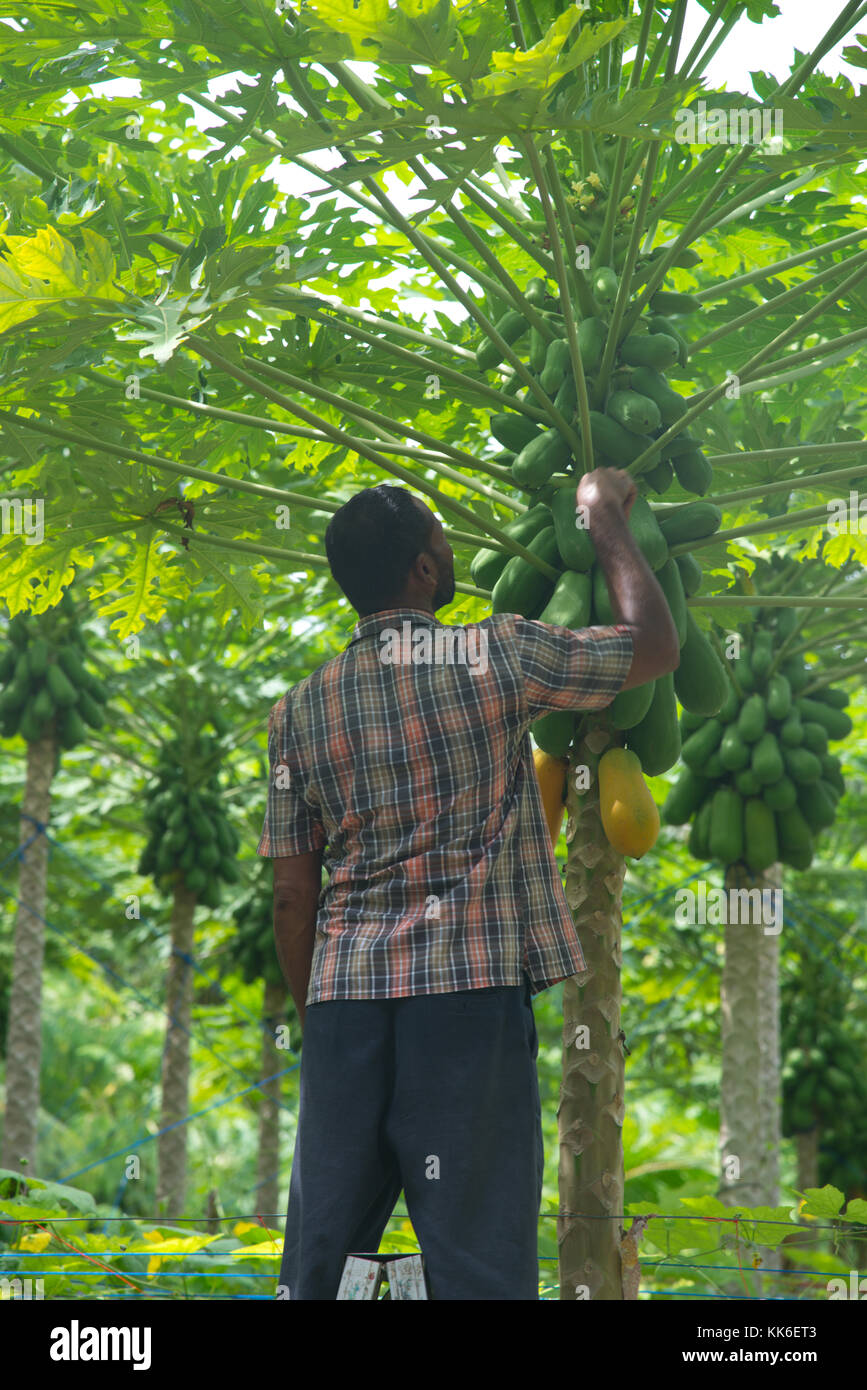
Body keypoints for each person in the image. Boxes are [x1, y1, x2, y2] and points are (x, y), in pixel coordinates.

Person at [257, 467, 680, 1300]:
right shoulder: (495, 654)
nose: (451, 551)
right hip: (466, 997)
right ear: (422, 569)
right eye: (441, 542)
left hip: (345, 1002)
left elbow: (290, 897)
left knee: (320, 1260)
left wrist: (322, 1022)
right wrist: (601, 519)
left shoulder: (295, 713)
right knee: (477, 1262)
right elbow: (654, 647)